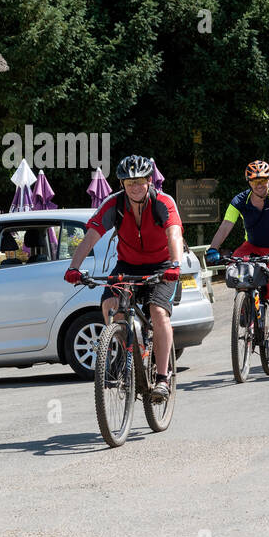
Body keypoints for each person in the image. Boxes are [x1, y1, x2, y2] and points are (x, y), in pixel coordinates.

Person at [65, 154, 185, 399]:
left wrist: (174, 264)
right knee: (110, 304)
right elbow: (91, 236)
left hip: (162, 266)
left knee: (158, 312)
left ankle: (162, 377)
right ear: (122, 184)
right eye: (129, 183)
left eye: (140, 181)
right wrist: (73, 267)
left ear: (150, 181)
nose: (135, 187)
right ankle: (126, 348)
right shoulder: (114, 205)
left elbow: (174, 233)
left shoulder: (163, 202)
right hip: (127, 265)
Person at [203, 160, 269, 367]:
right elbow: (226, 225)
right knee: (236, 270)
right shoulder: (240, 200)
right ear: (249, 182)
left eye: (264, 180)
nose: (260, 184)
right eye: (255, 181)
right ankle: (244, 305)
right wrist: (213, 249)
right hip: (251, 246)